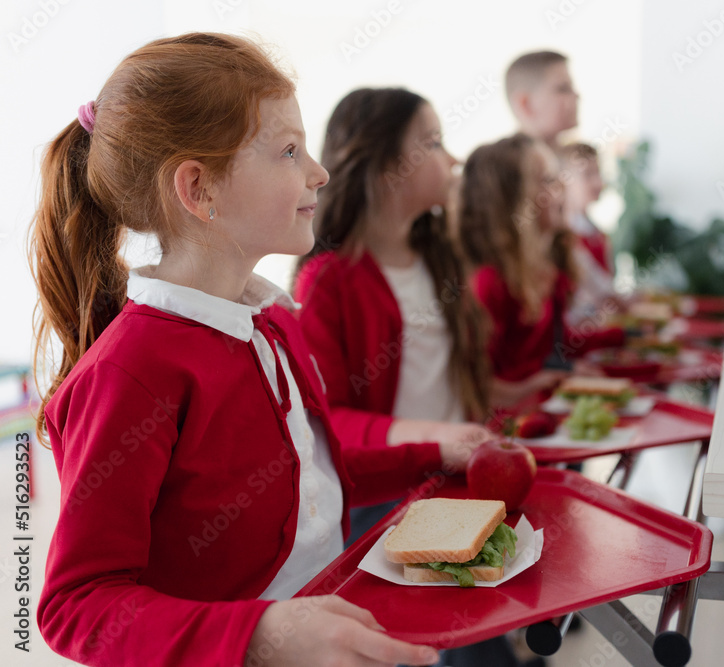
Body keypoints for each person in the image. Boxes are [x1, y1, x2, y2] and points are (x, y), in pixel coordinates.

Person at [30, 33, 440, 667]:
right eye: (288, 151)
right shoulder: (130, 371)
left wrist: (437, 454)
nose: (319, 172)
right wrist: (262, 636)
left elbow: (312, 475)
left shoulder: (273, 321)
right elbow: (75, 606)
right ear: (199, 189)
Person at [292, 88, 493, 544]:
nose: (455, 158)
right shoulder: (327, 281)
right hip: (387, 500)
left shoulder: (442, 260)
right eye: (435, 141)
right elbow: (327, 423)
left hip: (460, 478)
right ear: (385, 166)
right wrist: (437, 438)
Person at [454, 134, 623, 411]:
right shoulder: (488, 283)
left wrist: (624, 335)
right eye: (547, 181)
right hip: (508, 431)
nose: (561, 188)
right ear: (514, 201)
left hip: (543, 417)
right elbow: (476, 385)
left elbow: (555, 346)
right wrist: (536, 385)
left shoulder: (548, 269)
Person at [558, 142, 623, 325]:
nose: (598, 182)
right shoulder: (566, 236)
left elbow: (608, 287)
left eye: (598, 173)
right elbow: (600, 292)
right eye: (588, 175)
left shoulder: (598, 233)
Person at [505, 50, 579, 152]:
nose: (577, 95)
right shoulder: (502, 164)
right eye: (563, 89)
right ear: (525, 104)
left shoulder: (577, 157)